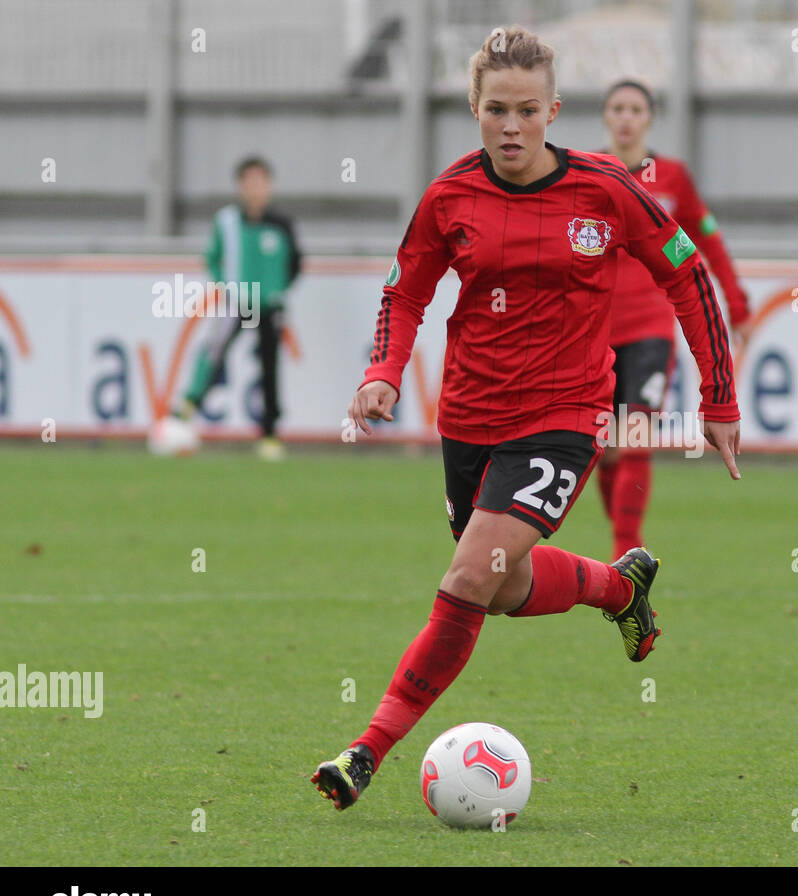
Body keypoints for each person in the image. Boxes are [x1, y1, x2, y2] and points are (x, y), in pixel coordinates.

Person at [312, 26, 742, 810]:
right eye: (496, 110)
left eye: (528, 110)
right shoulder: (450, 197)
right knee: (498, 591)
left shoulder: (606, 189)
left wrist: (718, 398)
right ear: (475, 108)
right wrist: (381, 373)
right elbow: (403, 292)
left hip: (566, 415)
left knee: (471, 575)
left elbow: (689, 275)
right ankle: (618, 589)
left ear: (554, 111)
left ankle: (366, 750)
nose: (511, 126)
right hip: (469, 418)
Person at [595, 79, 750, 560]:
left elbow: (709, 241)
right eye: (617, 108)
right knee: (604, 446)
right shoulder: (590, 174)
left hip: (649, 329)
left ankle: (626, 549)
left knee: (635, 433)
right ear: (606, 116)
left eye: (635, 109)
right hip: (594, 331)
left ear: (649, 118)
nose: (625, 117)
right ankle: (623, 542)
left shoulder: (673, 178)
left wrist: (737, 302)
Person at [173, 156, 301, 461]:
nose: (256, 188)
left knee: (269, 367)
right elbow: (212, 258)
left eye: (261, 181)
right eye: (250, 182)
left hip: (268, 305)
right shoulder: (228, 222)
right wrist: (226, 287)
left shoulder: (281, 224)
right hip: (239, 301)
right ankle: (187, 408)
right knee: (215, 351)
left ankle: (269, 434)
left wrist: (277, 290)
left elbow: (295, 263)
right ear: (241, 186)